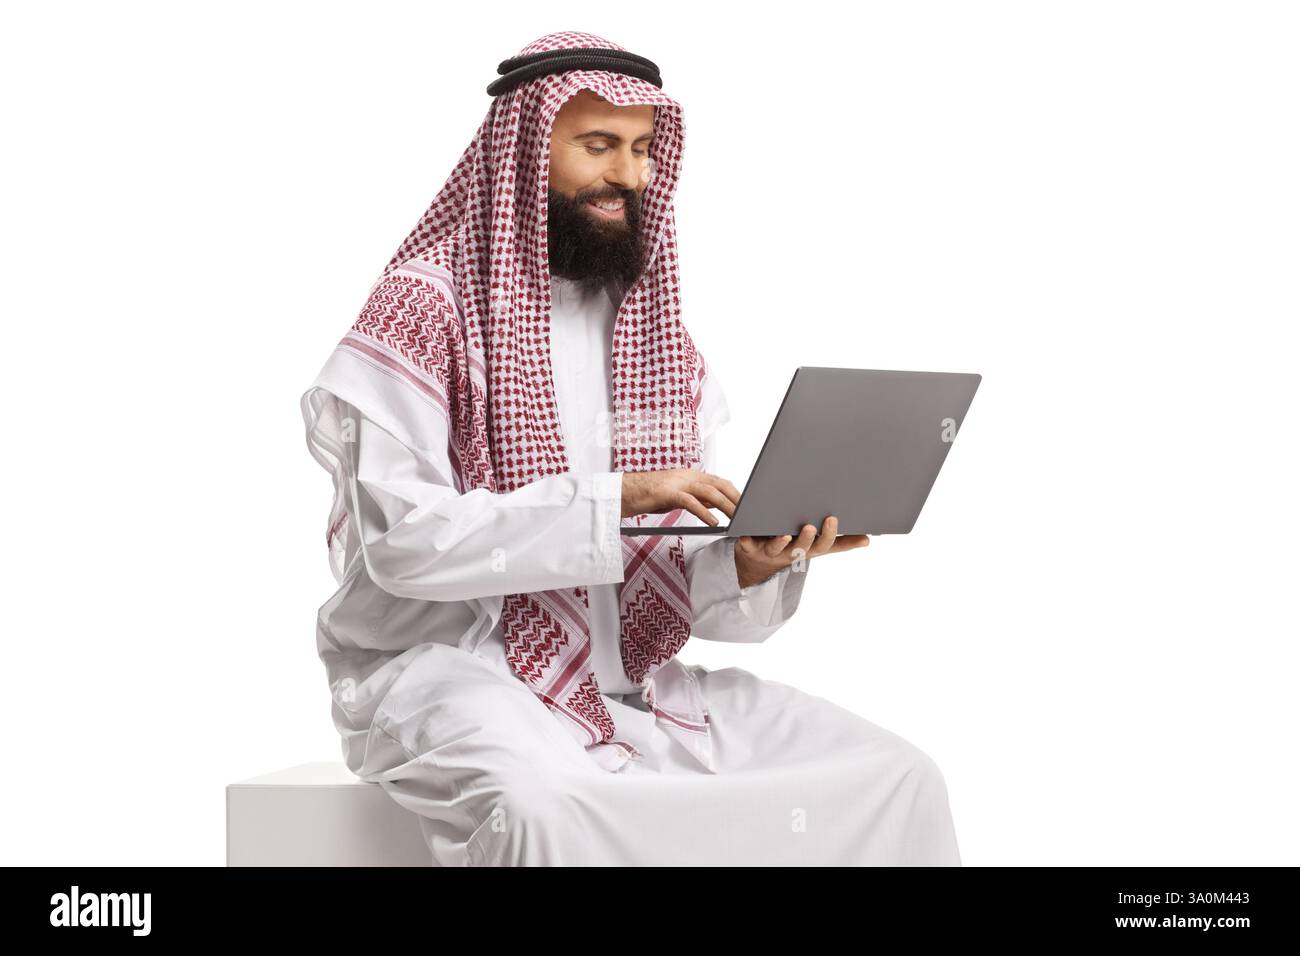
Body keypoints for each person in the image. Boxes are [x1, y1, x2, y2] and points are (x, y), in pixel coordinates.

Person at [300, 30, 961, 865]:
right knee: (542, 809)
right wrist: (617, 499)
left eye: (644, 148)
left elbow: (664, 594)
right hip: (450, 676)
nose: (630, 175)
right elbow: (402, 546)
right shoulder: (421, 312)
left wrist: (747, 566)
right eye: (599, 146)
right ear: (526, 151)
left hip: (628, 688)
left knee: (899, 777)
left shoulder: (658, 339)